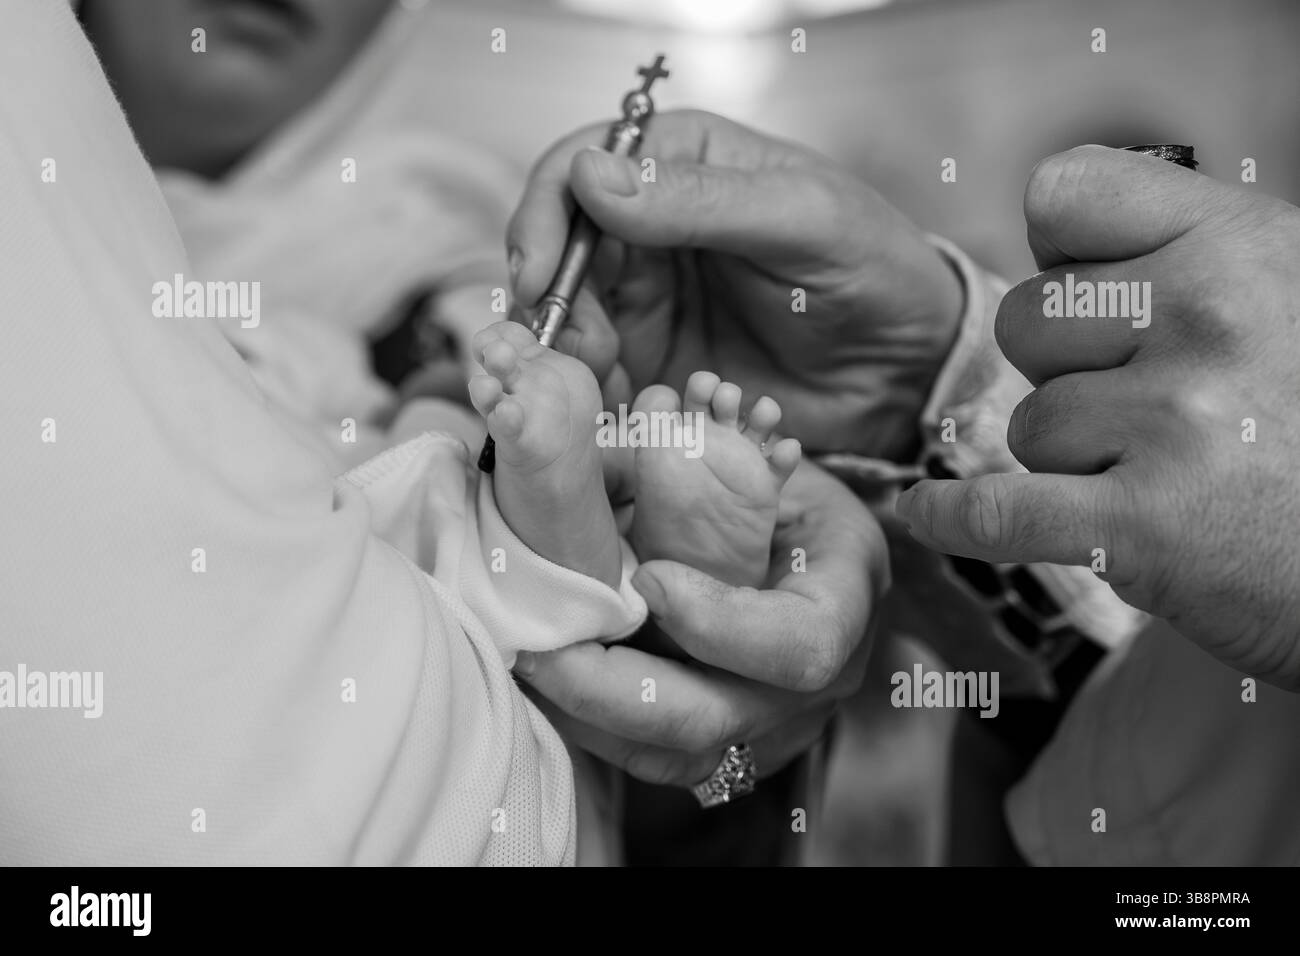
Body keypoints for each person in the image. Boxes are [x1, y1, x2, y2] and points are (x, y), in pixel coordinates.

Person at [2, 0, 883, 865]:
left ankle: (598, 556)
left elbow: (711, 794)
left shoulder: (451, 239)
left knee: (453, 478)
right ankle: (573, 557)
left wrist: (718, 768)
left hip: (378, 574)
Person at [507, 112, 1300, 865]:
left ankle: (638, 575)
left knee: (696, 743)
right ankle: (661, 583)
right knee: (700, 727)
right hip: (1103, 768)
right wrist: (916, 390)